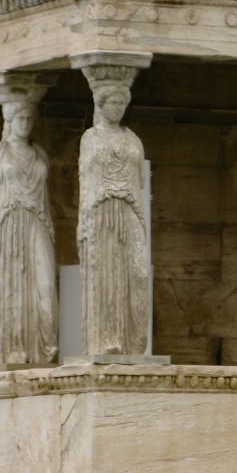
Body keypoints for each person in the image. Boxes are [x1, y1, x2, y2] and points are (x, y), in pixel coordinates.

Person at [0, 92, 57, 365]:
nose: (25, 123)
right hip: (8, 223)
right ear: (8, 121)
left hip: (37, 222)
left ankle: (43, 350)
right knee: (12, 286)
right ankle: (14, 350)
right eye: (20, 118)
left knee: (44, 286)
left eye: (29, 119)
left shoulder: (40, 154)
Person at [77, 81, 149, 356]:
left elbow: (140, 179)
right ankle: (108, 341)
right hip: (101, 210)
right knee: (106, 274)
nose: (118, 108)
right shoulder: (90, 138)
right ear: (101, 104)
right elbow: (86, 180)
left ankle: (135, 342)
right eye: (113, 103)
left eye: (122, 103)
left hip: (130, 209)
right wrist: (84, 223)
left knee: (138, 273)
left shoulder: (133, 139)